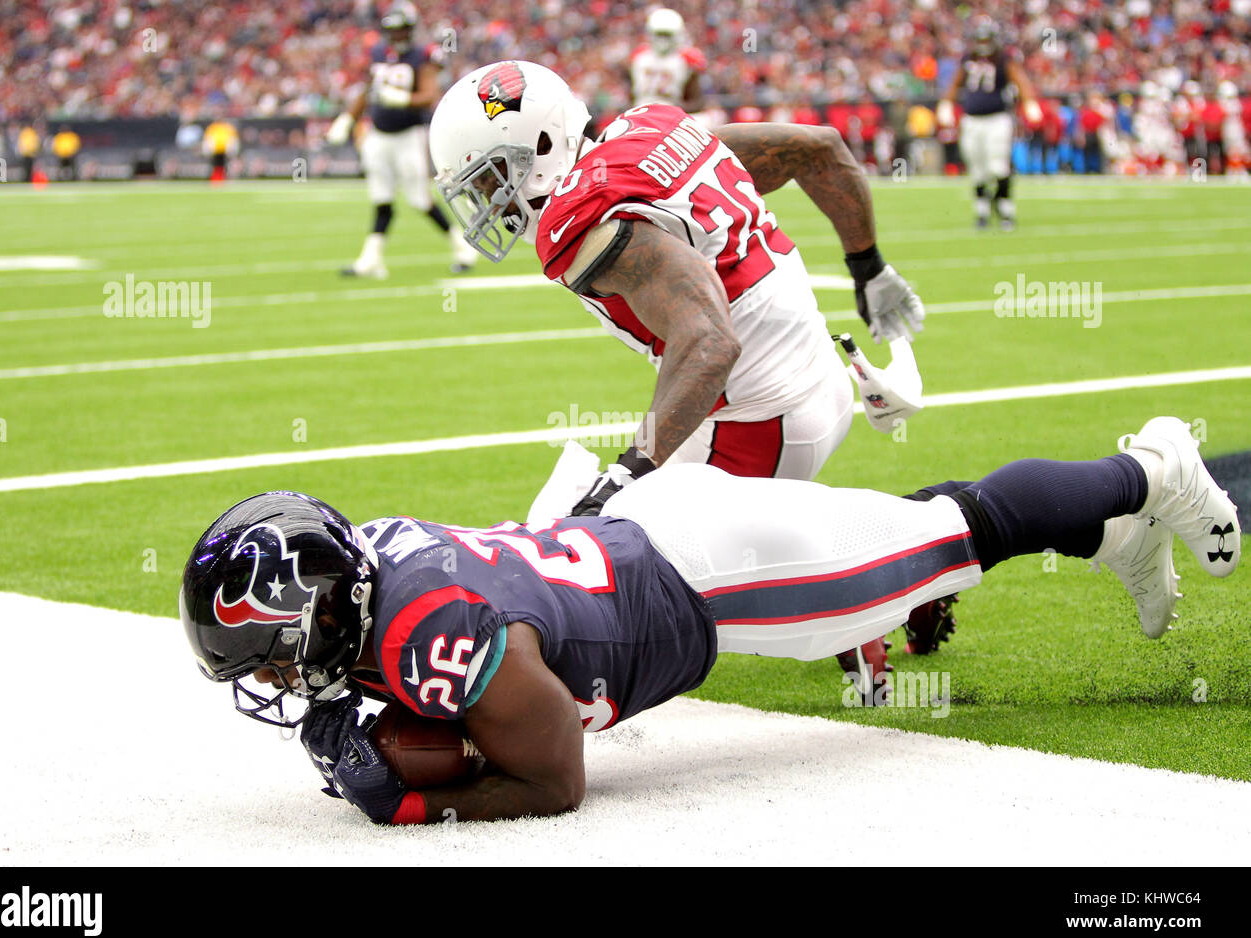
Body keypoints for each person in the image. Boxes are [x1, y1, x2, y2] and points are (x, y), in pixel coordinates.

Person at [180, 416, 1240, 825]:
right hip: (649, 540)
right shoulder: (368, 554)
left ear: (326, 611)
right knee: (906, 535)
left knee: (951, 535)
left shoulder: (423, 633)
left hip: (704, 577)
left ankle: (1147, 466)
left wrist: (418, 799)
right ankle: (1110, 533)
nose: (275, 680)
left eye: (274, 656)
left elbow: (554, 774)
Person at [427, 59, 930, 690]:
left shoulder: (579, 218)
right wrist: (869, 266)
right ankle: (886, 566)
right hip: (814, 385)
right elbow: (817, 149)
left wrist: (633, 467)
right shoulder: (651, 127)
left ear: (542, 145)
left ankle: (873, 589)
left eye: (495, 173)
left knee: (602, 565)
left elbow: (711, 342)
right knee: (559, 524)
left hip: (758, 419)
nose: (489, 197)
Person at [327, 3, 477, 278]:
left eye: (401, 30)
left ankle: (463, 247)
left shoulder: (423, 55)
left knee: (419, 199)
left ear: (410, 29)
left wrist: (402, 99)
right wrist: (347, 119)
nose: (396, 36)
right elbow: (368, 89)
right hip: (378, 135)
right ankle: (370, 260)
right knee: (381, 198)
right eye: (392, 30)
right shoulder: (379, 53)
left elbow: (429, 95)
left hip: (408, 135)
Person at [936, 20, 1042, 230]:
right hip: (972, 120)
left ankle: (1005, 209)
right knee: (977, 168)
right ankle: (982, 210)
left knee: (998, 165)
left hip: (997, 119)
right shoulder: (968, 59)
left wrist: (1029, 102)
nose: (983, 43)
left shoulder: (1004, 59)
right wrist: (946, 103)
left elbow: (1019, 80)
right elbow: (955, 83)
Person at [628, 7, 706, 115]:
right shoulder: (640, 57)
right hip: (641, 111)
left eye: (666, 35)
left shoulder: (685, 59)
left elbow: (696, 99)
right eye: (659, 35)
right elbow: (630, 94)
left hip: (669, 113)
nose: (662, 40)